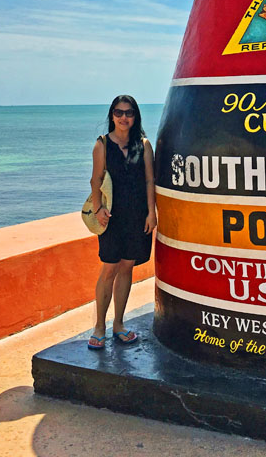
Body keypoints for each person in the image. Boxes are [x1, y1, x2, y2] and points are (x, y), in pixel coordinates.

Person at [87, 95, 156, 349]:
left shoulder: (144, 145)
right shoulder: (102, 144)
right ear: (111, 115)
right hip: (112, 216)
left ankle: (118, 324)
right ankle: (99, 326)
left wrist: (152, 212)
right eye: (118, 112)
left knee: (127, 266)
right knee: (109, 268)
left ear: (135, 116)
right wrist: (98, 209)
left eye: (128, 112)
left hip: (137, 215)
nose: (123, 117)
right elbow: (96, 181)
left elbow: (150, 180)